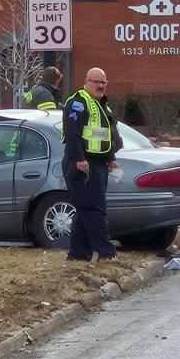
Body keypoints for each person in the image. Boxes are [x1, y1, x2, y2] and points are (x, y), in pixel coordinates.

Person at [61, 67, 123, 261]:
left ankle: (79, 254)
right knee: (95, 208)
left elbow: (108, 136)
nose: (101, 85)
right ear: (86, 82)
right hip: (82, 164)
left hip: (99, 163)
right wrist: (79, 158)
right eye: (96, 82)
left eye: (104, 82)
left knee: (85, 208)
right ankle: (107, 253)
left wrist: (111, 158)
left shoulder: (103, 106)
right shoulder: (78, 102)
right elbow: (72, 133)